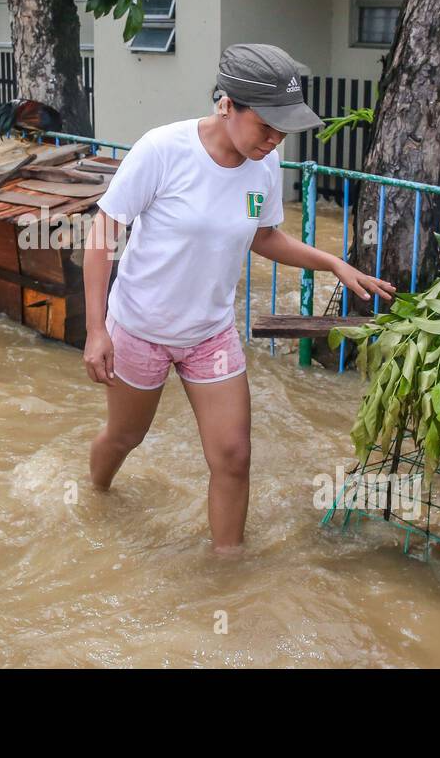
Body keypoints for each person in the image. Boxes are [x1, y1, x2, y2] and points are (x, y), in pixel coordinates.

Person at [82, 43, 396, 554]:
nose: (274, 141)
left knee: (233, 457)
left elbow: (264, 236)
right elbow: (102, 236)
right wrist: (97, 330)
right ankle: (95, 494)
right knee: (125, 438)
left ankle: (228, 568)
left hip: (210, 334)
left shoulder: (263, 165)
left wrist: (334, 261)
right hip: (140, 328)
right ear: (227, 104)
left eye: (282, 130)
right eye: (266, 126)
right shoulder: (162, 150)